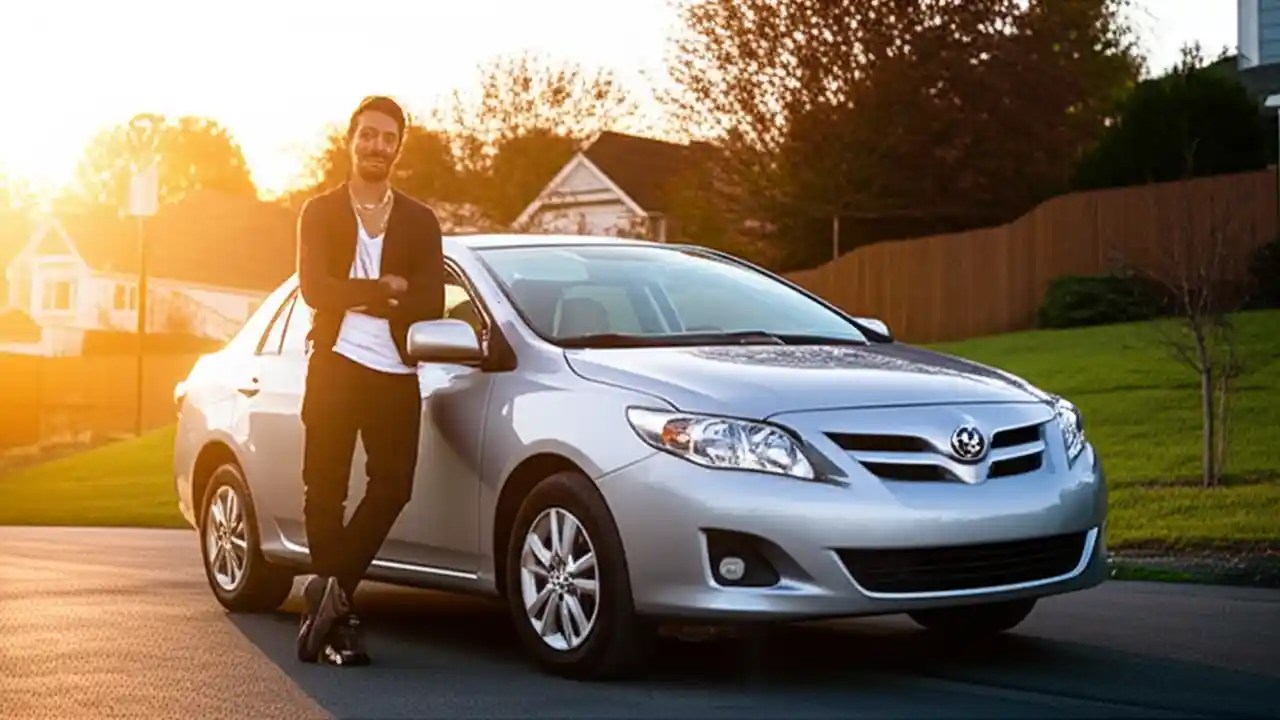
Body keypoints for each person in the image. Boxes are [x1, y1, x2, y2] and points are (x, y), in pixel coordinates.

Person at [293, 95, 444, 666]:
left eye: (388, 137)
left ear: (398, 147)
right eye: (369, 135)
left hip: (395, 370)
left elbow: (431, 297)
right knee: (324, 489)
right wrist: (386, 288)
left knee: (392, 487)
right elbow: (316, 289)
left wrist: (363, 291)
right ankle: (338, 620)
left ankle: (326, 595)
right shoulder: (320, 211)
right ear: (350, 140)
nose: (378, 145)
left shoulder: (420, 220)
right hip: (333, 364)